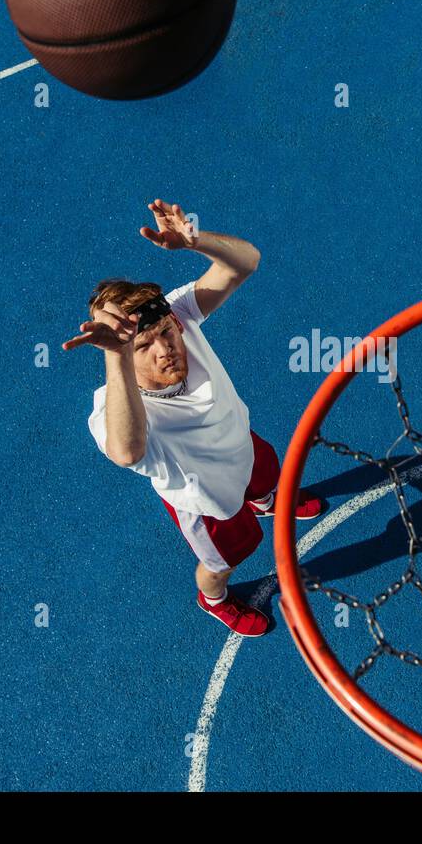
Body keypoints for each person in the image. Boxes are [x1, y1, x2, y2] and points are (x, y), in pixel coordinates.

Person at [63, 200, 322, 637]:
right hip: (209, 501)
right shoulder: (115, 406)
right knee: (224, 561)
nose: (165, 348)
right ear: (125, 354)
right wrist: (117, 353)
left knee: (267, 476)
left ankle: (265, 502)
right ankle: (214, 599)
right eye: (143, 346)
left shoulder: (177, 314)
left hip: (242, 443)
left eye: (165, 333)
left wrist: (195, 242)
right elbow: (127, 452)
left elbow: (246, 262)